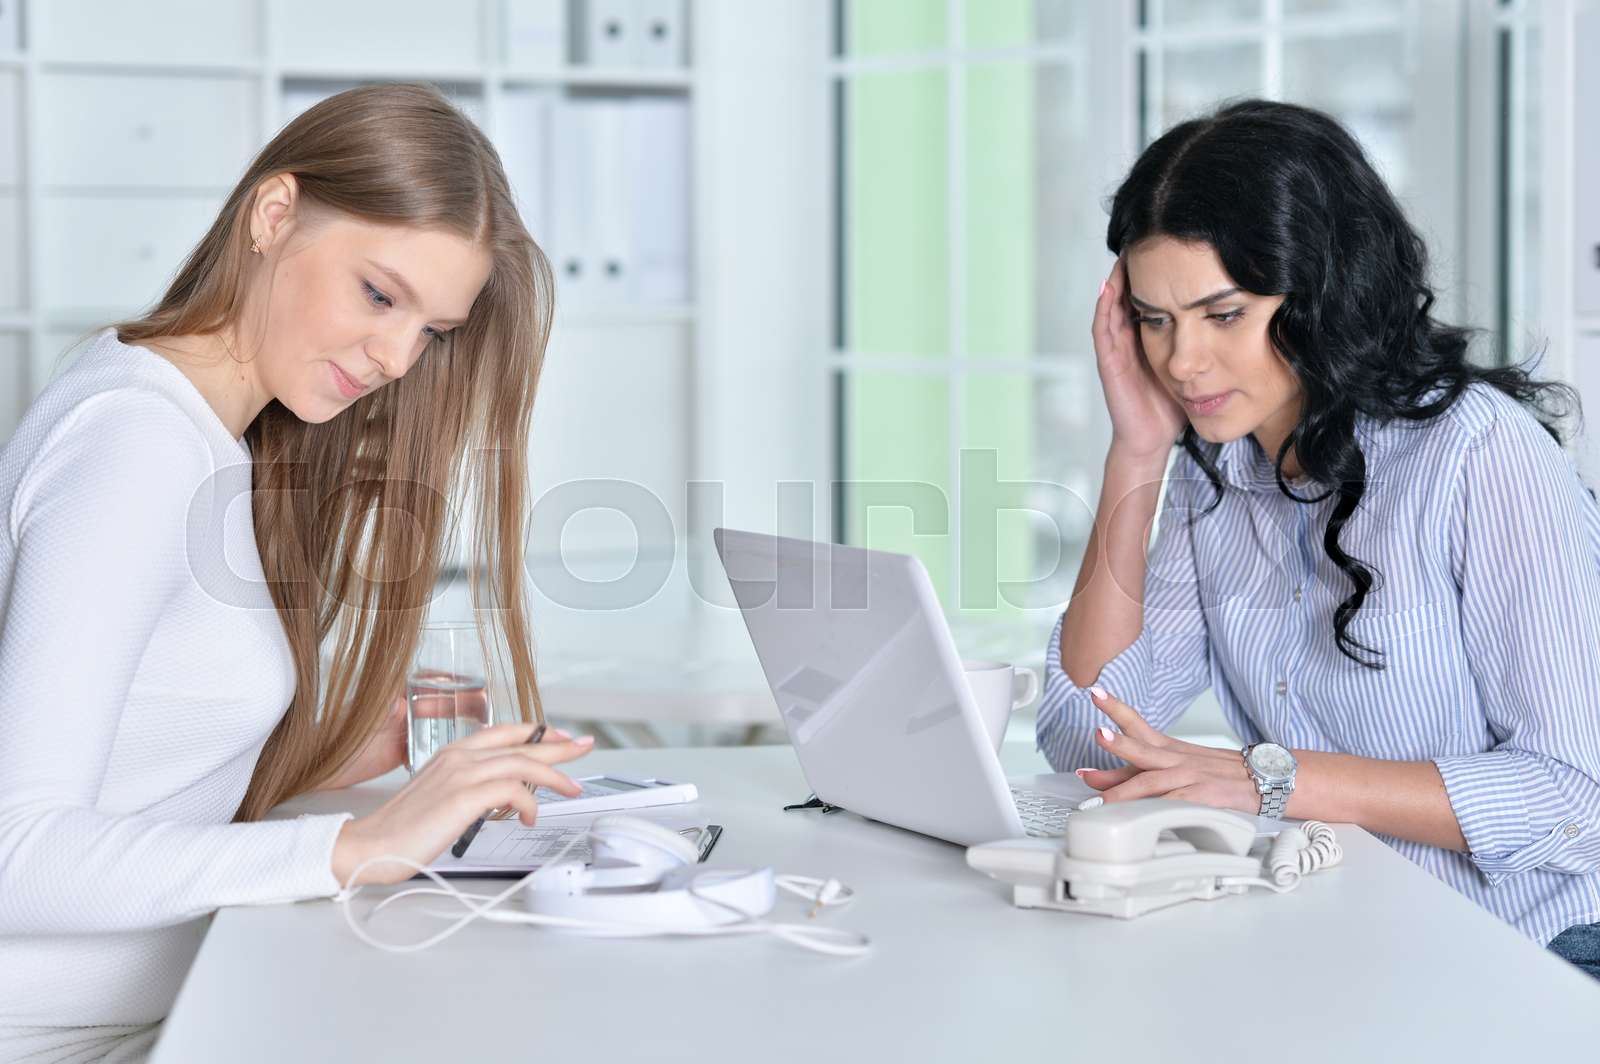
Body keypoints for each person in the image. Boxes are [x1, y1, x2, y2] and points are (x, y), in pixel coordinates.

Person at [0, 83, 594, 1062]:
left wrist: (334, 753)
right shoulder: (138, 444)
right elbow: (16, 856)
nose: (398, 355)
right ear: (273, 215)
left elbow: (132, 764)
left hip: (170, 1007)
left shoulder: (195, 428)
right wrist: (353, 844)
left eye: (432, 329)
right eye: (379, 294)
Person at [1036, 99, 1600, 981]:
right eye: (1155, 319)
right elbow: (1083, 735)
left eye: (1223, 315)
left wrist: (1266, 778)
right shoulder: (1210, 470)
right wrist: (1136, 452)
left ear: (1323, 292)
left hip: (1536, 953)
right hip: (1346, 945)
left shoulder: (1478, 454)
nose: (1182, 362)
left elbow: (1575, 801)